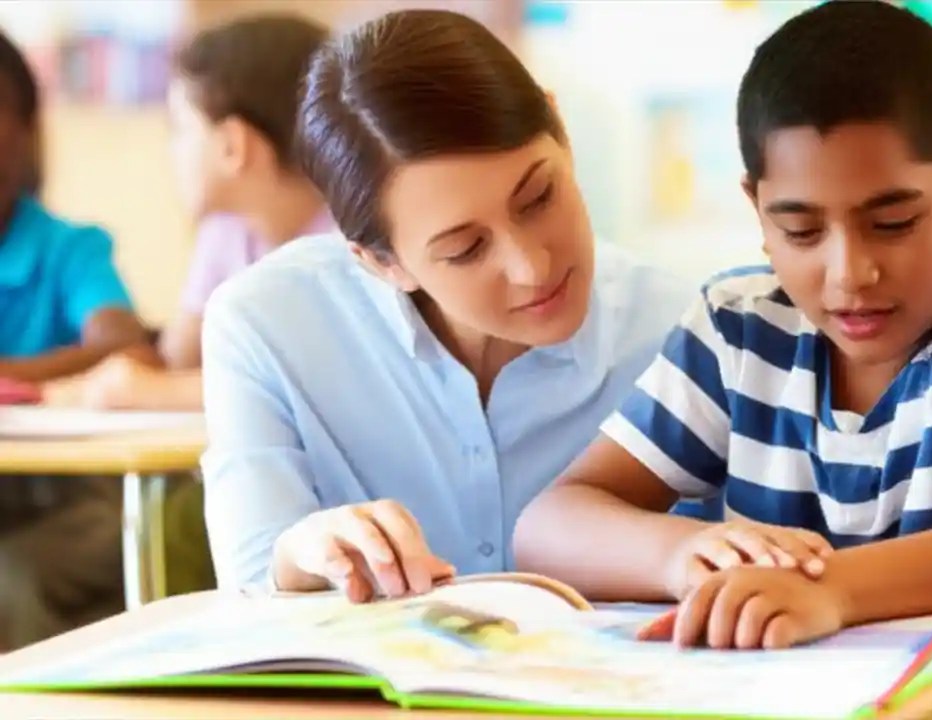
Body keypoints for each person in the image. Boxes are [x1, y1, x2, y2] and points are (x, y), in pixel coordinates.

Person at [514, 0, 932, 650]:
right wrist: (683, 555)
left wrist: (831, 587)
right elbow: (547, 525)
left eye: (893, 224)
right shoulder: (738, 327)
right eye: (800, 231)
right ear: (759, 210)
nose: (849, 273)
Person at [199, 9, 728, 601]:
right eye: (466, 249)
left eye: (539, 197)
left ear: (560, 128)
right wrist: (300, 555)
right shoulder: (268, 326)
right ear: (382, 262)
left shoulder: (692, 332)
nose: (534, 266)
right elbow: (246, 588)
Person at [44, 15, 333, 410]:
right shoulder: (226, 231)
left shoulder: (348, 242)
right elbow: (179, 359)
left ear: (233, 146)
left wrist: (149, 392)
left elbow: (318, 389)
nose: (172, 151)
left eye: (180, 128)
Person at [0, 31, 151, 650]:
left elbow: (129, 349)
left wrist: (13, 373)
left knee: (9, 583)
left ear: (26, 132)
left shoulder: (69, 249)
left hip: (73, 505)